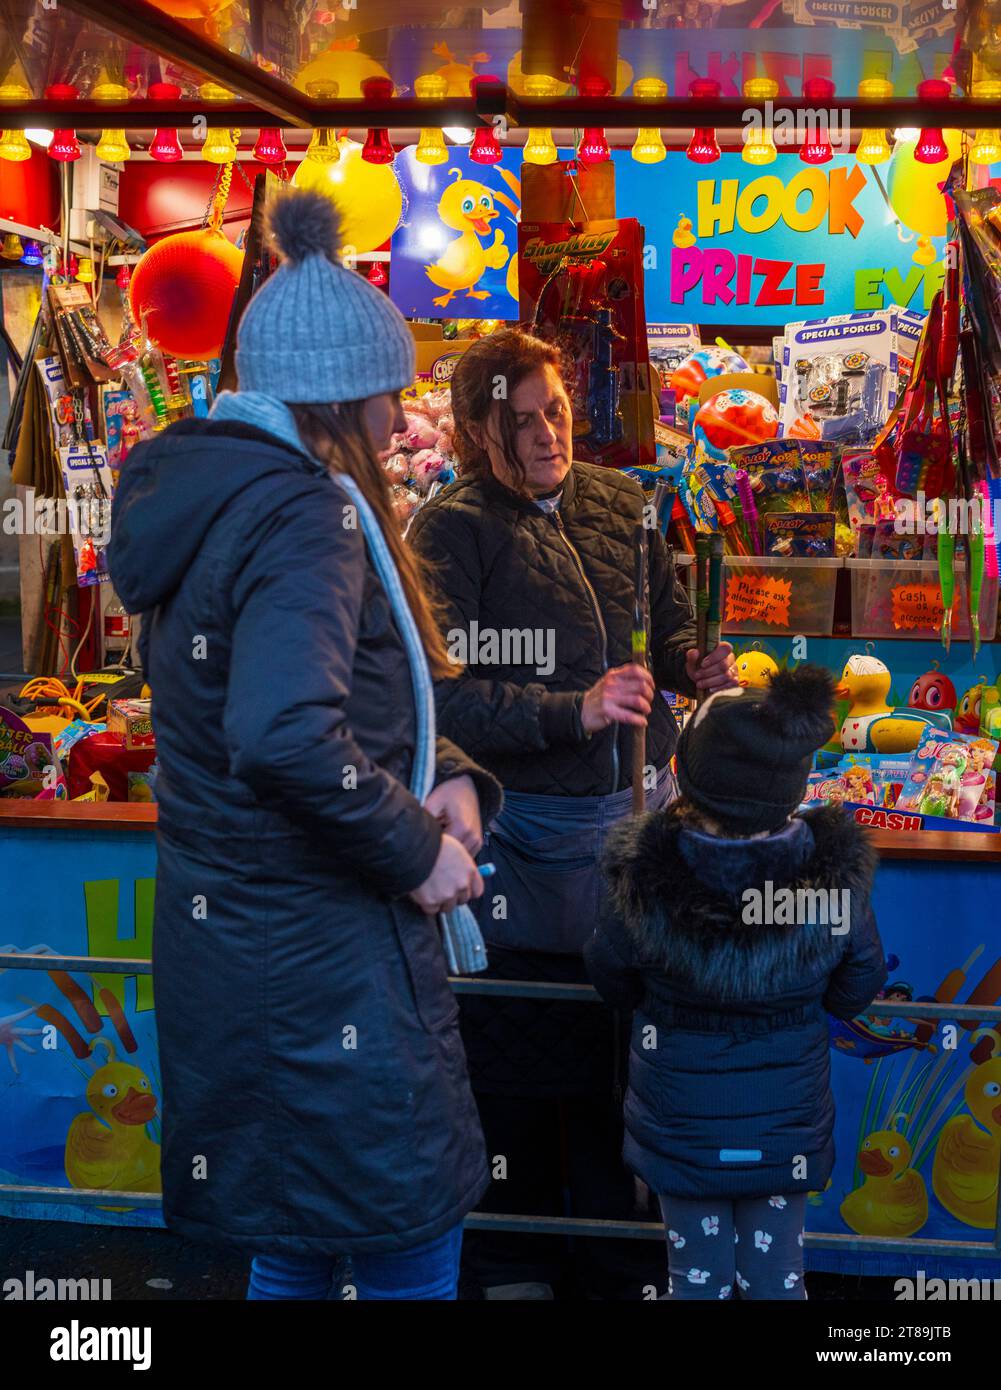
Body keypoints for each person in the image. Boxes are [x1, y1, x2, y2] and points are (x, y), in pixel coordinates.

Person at [108, 190, 502, 1301]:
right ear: (338, 395)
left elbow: (328, 704)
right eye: (387, 392)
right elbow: (284, 731)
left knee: (294, 1232)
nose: (398, 419)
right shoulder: (300, 515)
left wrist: (451, 779)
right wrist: (414, 849)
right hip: (322, 958)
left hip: (253, 950)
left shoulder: (229, 493)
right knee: (401, 1236)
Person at [409, 328, 738, 1300]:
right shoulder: (448, 528)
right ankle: (513, 1259)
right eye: (520, 421)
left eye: (554, 409)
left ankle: (618, 1259)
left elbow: (664, 619)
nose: (547, 432)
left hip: (633, 824)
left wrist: (691, 661)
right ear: (474, 430)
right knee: (514, 1056)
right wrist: (573, 709)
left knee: (621, 1051)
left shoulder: (617, 498)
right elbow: (443, 697)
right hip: (520, 840)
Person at [585, 665, 888, 1300]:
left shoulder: (644, 872)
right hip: (787, 1126)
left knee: (694, 1282)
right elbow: (859, 980)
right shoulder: (829, 877)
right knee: (778, 1281)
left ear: (690, 774)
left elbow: (611, 975)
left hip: (680, 1125)